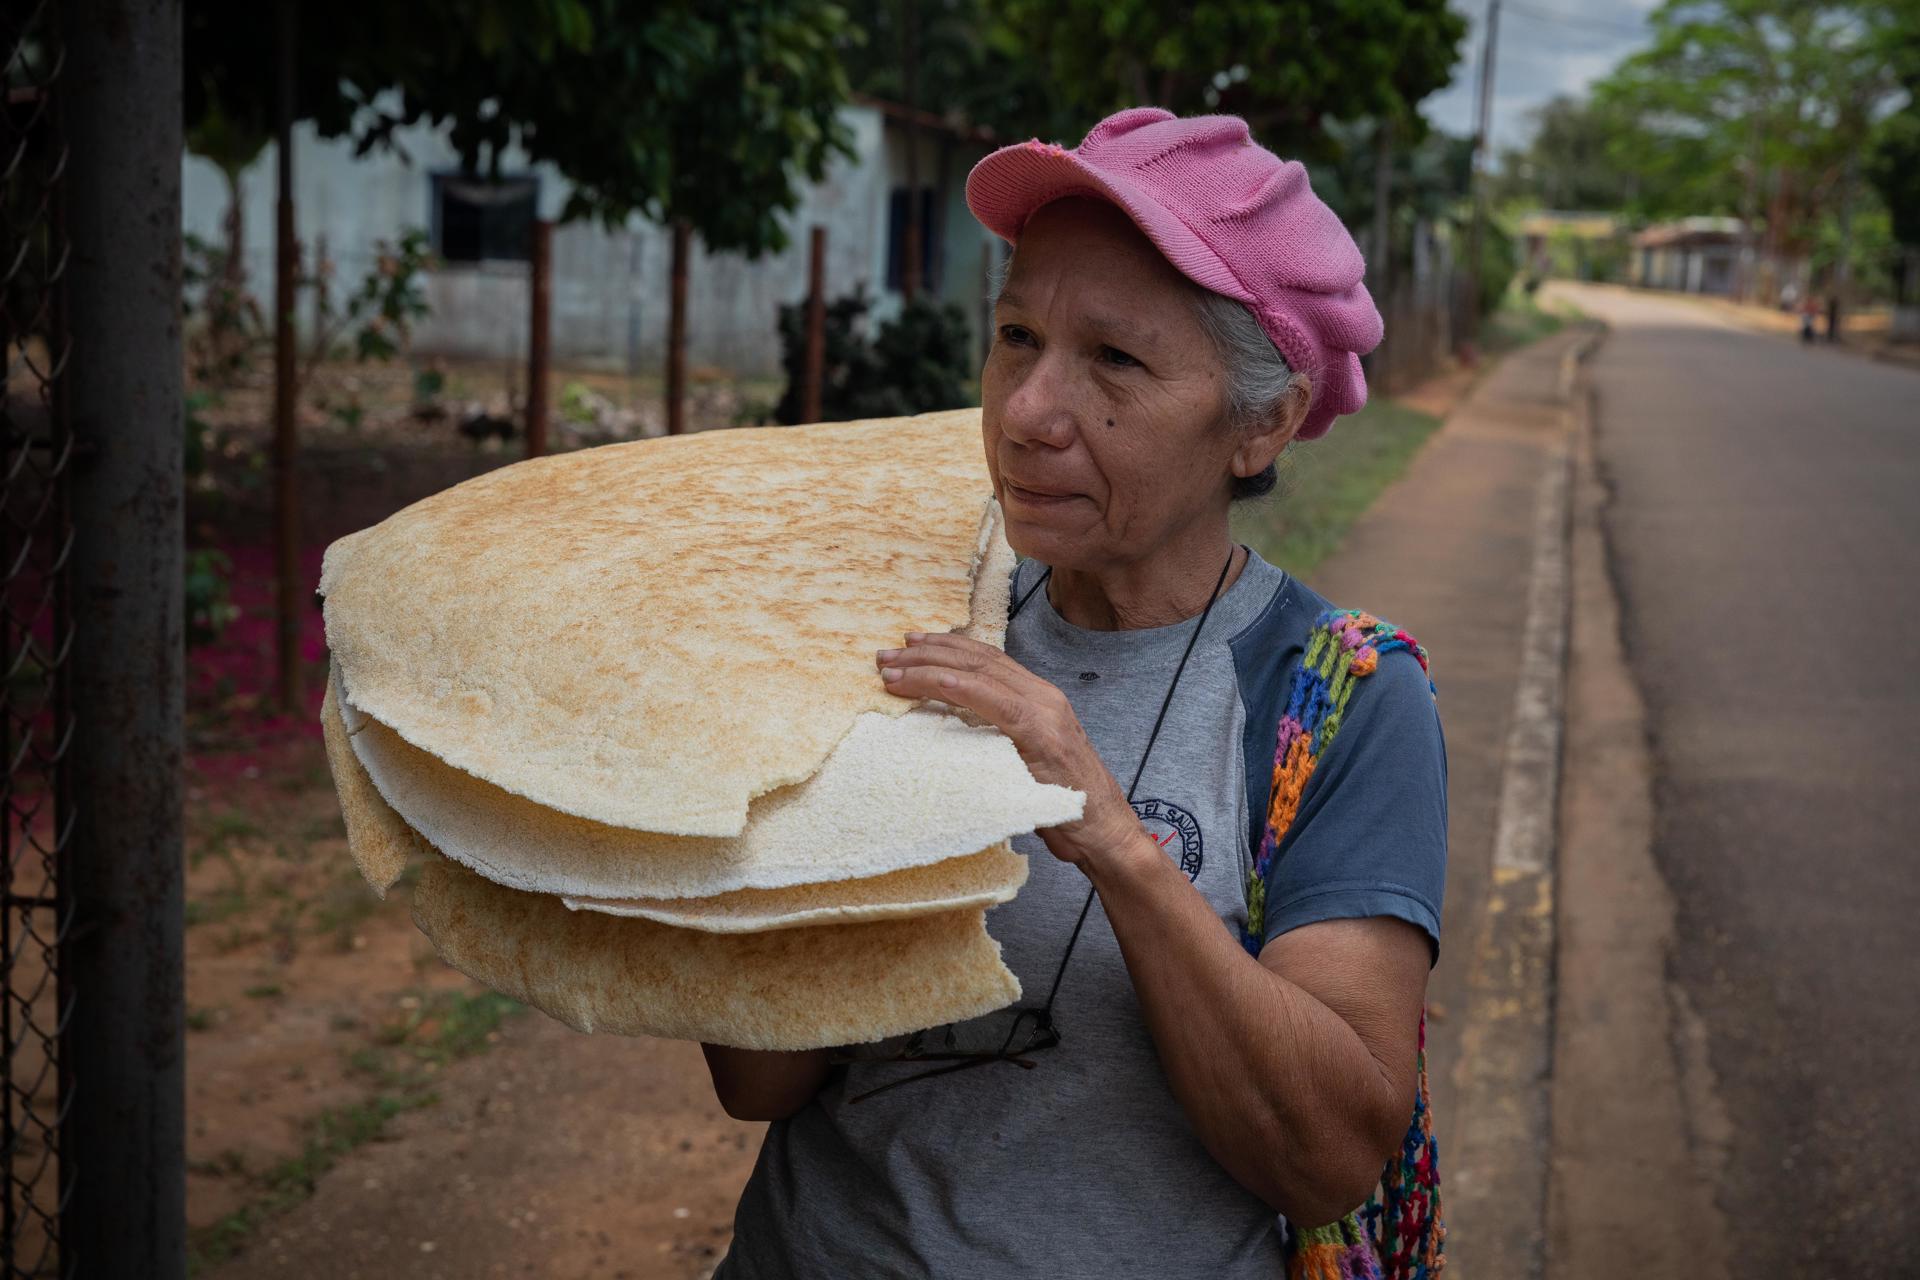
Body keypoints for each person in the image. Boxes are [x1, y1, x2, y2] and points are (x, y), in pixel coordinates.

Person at [703, 107, 1448, 1277]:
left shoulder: (1343, 696)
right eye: (1015, 336)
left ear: (1263, 423)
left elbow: (1328, 1154)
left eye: (1115, 359)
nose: (1028, 412)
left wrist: (1111, 832)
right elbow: (762, 1080)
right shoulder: (905, 631)